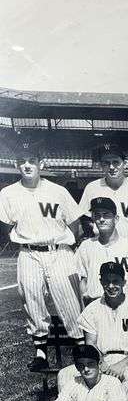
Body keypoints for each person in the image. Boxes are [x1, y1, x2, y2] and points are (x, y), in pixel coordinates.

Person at [0, 135, 84, 371]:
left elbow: (75, 222)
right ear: (17, 164)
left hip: (58, 250)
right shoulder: (7, 194)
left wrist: (67, 244)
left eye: (32, 160)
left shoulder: (57, 191)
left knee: (69, 300)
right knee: (32, 299)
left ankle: (80, 346)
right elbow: (6, 225)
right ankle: (40, 351)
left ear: (41, 164)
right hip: (28, 252)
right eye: (23, 160)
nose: (27, 165)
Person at [61, 261, 128, 395]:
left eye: (116, 281)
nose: (111, 286)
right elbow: (91, 344)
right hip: (101, 360)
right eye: (107, 281)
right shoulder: (92, 310)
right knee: (64, 375)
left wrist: (122, 364)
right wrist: (102, 364)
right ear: (101, 282)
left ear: (124, 282)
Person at [79, 141, 128, 236]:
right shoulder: (92, 188)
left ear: (124, 164)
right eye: (106, 163)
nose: (111, 167)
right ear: (101, 166)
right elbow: (85, 218)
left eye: (116, 162)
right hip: (103, 245)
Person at [75, 196, 128, 305]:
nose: (101, 219)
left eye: (106, 215)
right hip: (95, 303)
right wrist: (85, 301)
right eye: (97, 215)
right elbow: (82, 279)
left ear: (116, 219)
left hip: (125, 304)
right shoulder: (86, 246)